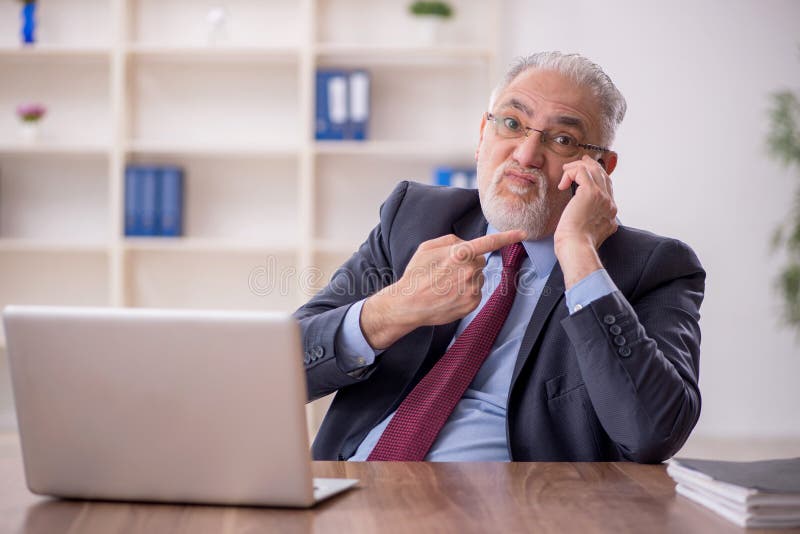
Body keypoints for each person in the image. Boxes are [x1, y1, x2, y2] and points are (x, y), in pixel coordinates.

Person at [294, 51, 705, 463]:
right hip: (353, 489)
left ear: (601, 168)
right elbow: (278, 368)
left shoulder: (654, 268)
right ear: (481, 136)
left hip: (511, 509)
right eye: (511, 124)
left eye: (562, 139)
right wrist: (394, 309)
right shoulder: (415, 216)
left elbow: (654, 433)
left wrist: (579, 256)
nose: (526, 155)